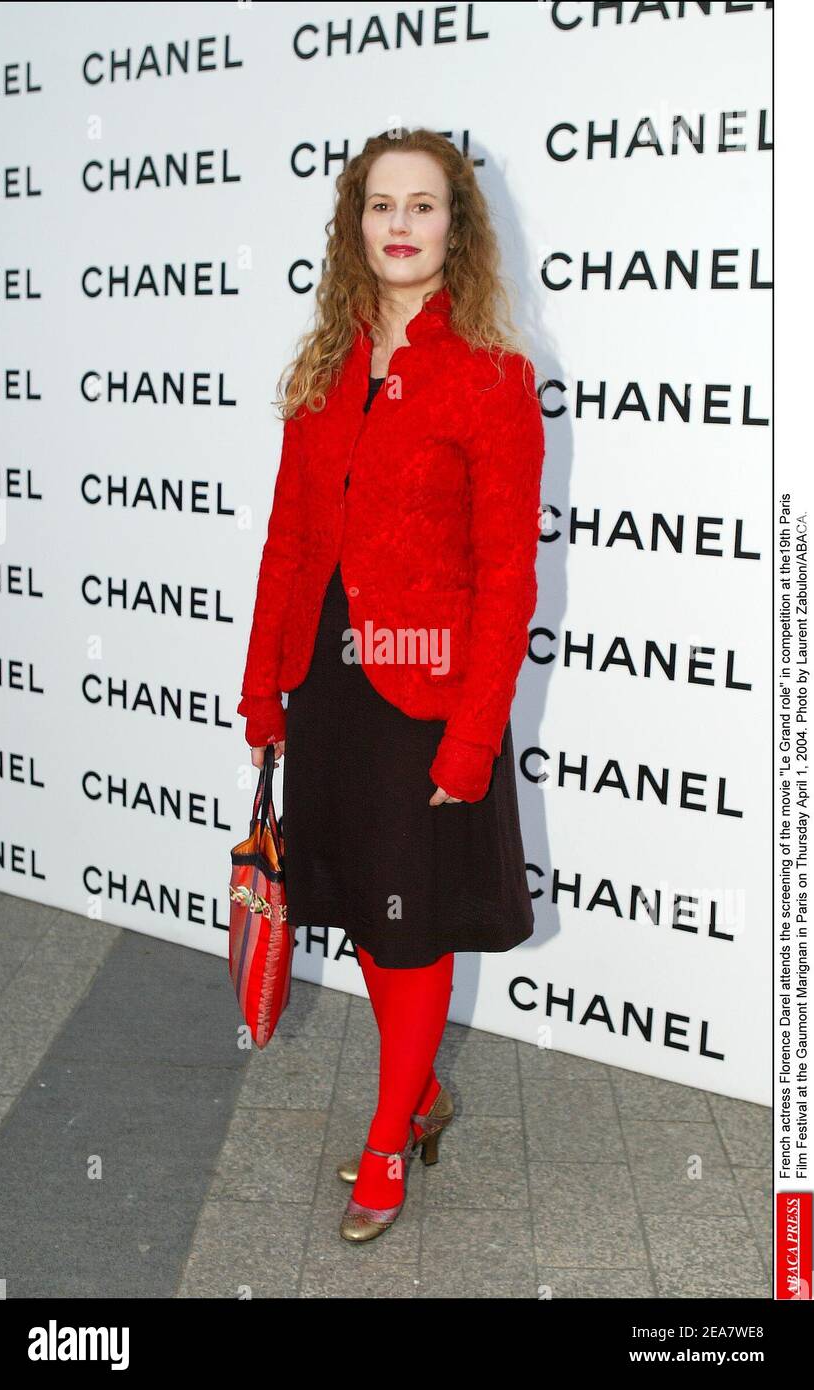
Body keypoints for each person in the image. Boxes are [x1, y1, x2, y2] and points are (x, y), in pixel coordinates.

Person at [237, 128, 545, 1243]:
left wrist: (471, 740)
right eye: (378, 205)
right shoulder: (325, 366)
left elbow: (507, 575)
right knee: (371, 914)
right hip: (328, 682)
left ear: (454, 229)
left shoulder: (493, 378)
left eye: (422, 205)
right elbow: (286, 540)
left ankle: (387, 1136)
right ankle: (419, 1089)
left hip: (424, 696)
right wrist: (265, 681)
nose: (399, 224)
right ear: (353, 225)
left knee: (408, 927)